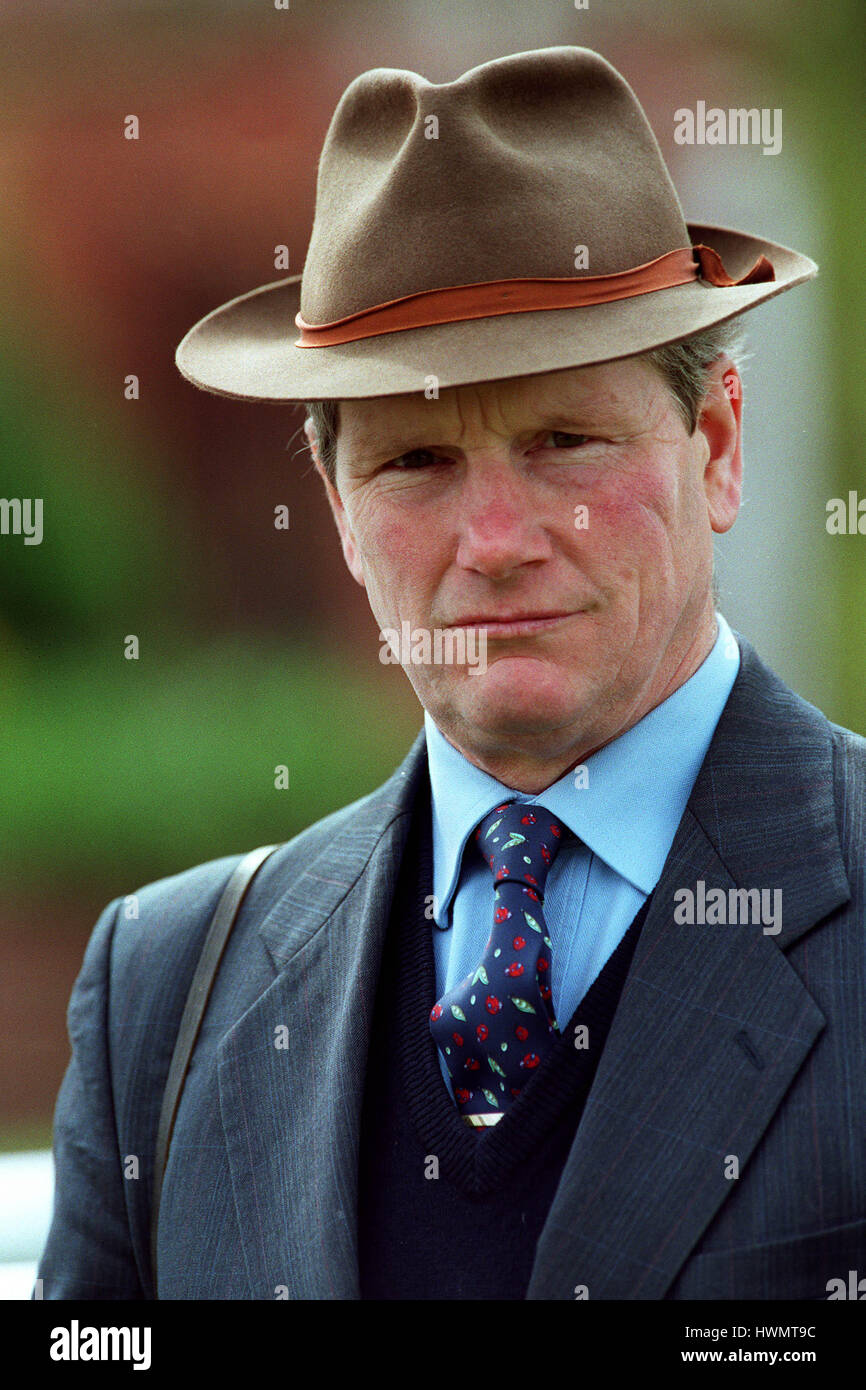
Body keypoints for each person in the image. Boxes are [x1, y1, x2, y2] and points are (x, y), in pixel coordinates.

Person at [37, 45, 866, 1301]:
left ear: (714, 444)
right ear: (335, 511)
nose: (494, 543)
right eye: (415, 461)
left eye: (563, 440)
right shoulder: (162, 996)